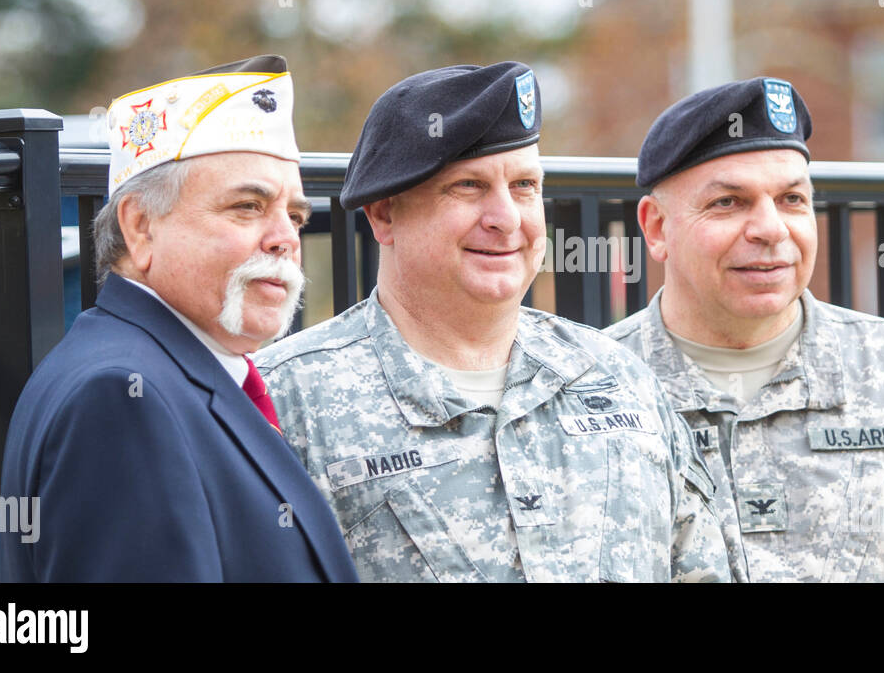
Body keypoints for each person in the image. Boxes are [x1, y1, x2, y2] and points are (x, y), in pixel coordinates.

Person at [255, 62, 729, 582]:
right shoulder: (284, 401)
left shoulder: (619, 380)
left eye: (524, 186)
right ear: (385, 214)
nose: (506, 219)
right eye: (468, 186)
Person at [605, 77, 884, 582]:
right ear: (657, 228)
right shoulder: (596, 391)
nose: (771, 229)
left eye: (791, 199)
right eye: (729, 202)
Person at [0, 55, 358, 582]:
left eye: (296, 216)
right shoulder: (121, 397)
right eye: (248, 206)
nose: (285, 238)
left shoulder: (153, 371)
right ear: (141, 227)